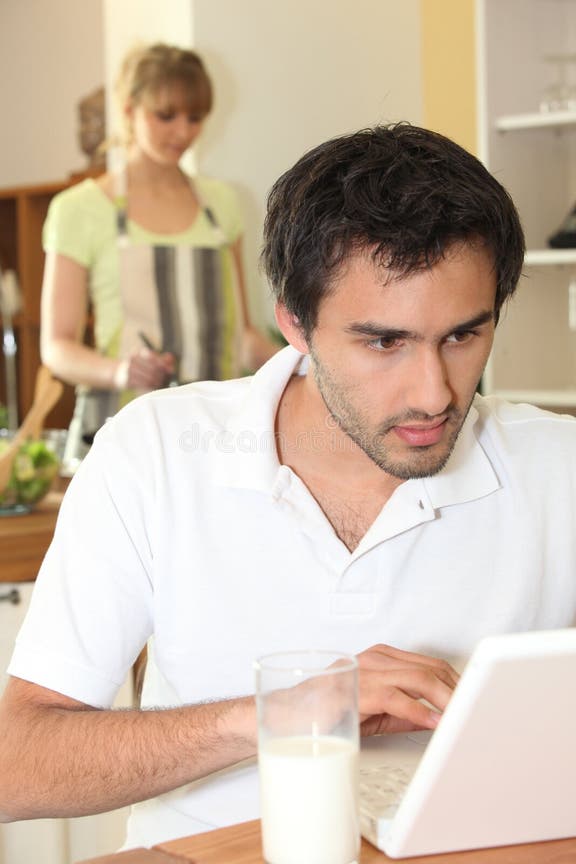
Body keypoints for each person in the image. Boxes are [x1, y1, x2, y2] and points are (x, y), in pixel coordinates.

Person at [2, 122, 576, 849]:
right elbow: (15, 768)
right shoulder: (153, 455)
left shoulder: (559, 467)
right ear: (294, 325)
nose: (434, 394)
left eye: (464, 335)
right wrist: (288, 712)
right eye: (384, 341)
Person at [40, 42, 277, 450]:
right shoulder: (79, 209)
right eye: (166, 116)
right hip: (123, 433)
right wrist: (122, 372)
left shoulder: (222, 205)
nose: (183, 132)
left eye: (195, 117)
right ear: (129, 110)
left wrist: (312, 366)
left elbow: (242, 337)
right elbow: (57, 347)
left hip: (213, 435)